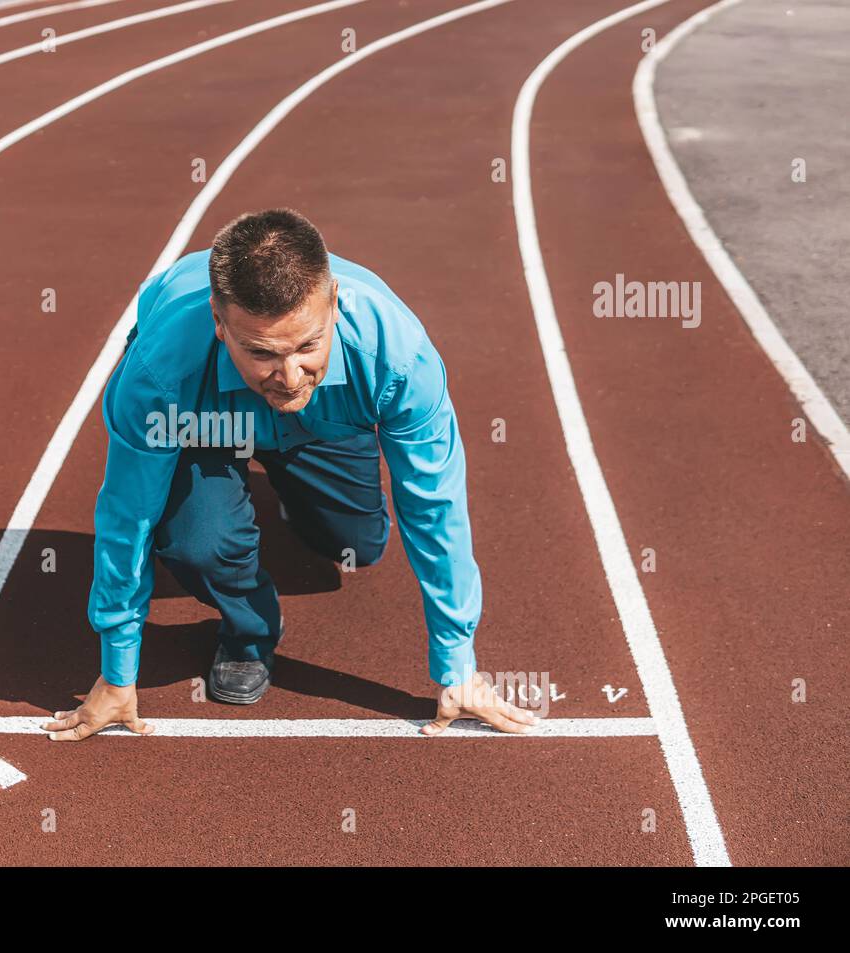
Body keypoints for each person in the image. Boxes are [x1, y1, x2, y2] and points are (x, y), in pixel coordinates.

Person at [44, 208, 537, 741]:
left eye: (308, 346)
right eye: (261, 353)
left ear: (335, 304)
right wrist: (118, 671)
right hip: (206, 423)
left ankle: (287, 487)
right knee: (196, 543)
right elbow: (128, 513)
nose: (288, 376)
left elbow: (434, 507)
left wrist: (456, 663)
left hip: (326, 420)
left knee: (356, 545)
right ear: (218, 320)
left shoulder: (398, 358)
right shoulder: (157, 375)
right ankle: (251, 628)